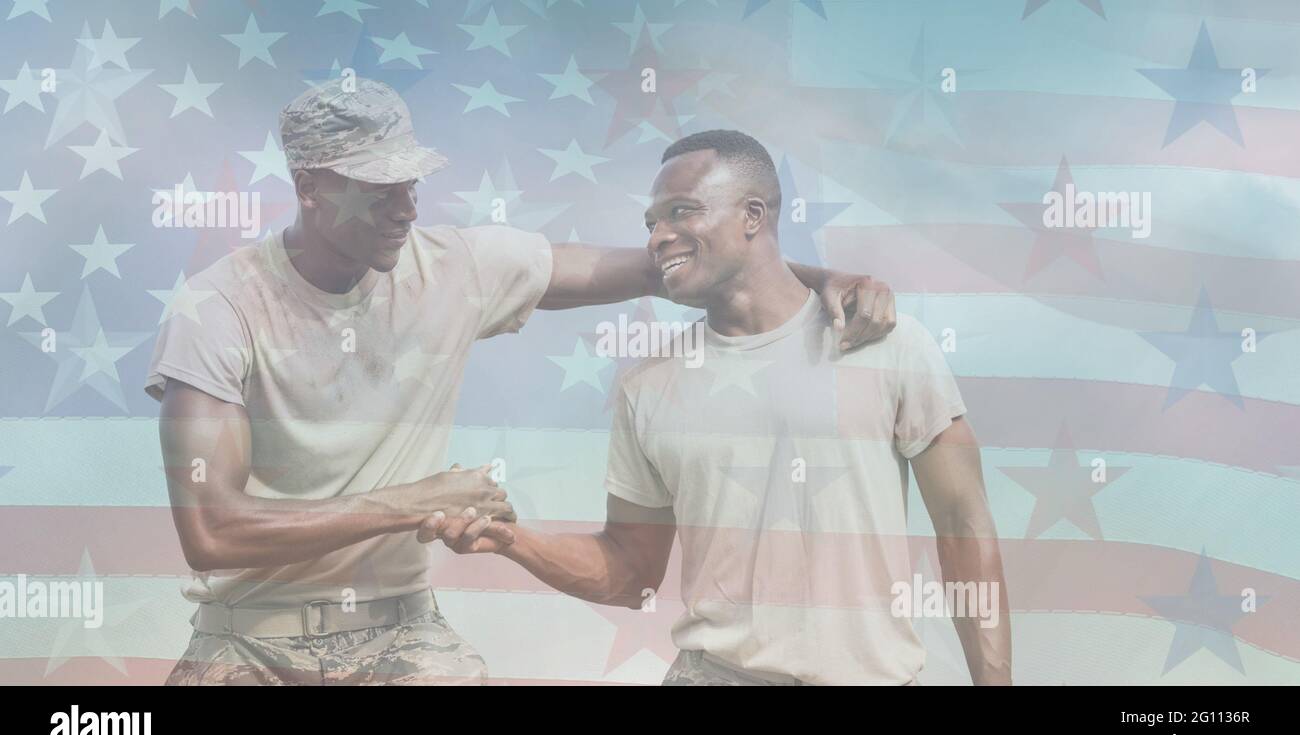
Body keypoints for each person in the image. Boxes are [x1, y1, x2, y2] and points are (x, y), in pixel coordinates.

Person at [147, 81, 895, 685]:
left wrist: (829, 277)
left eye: (411, 183)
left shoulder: (456, 268)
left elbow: (676, 264)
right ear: (310, 187)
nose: (407, 208)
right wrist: (410, 502)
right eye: (379, 189)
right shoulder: (218, 309)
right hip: (248, 640)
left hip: (400, 635)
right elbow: (213, 531)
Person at [428, 130, 1012, 685]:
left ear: (753, 216)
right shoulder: (647, 386)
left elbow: (964, 525)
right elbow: (631, 570)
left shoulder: (888, 342)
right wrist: (513, 540)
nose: (658, 236)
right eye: (652, 223)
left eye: (681, 211)